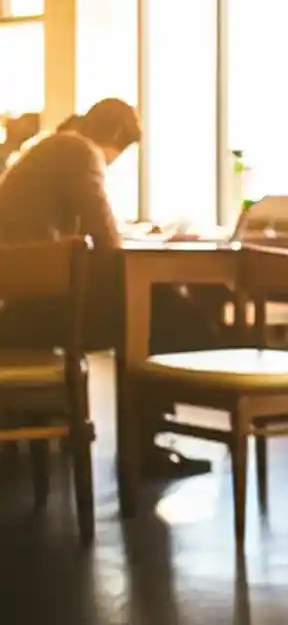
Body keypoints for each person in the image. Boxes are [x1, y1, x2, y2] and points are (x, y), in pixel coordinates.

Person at [0, 98, 218, 476]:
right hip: (34, 310)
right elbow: (106, 240)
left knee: (156, 307)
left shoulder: (48, 148)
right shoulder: (78, 150)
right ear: (117, 135)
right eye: (119, 154)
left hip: (19, 307)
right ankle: (148, 445)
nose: (112, 163)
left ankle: (152, 436)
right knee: (157, 307)